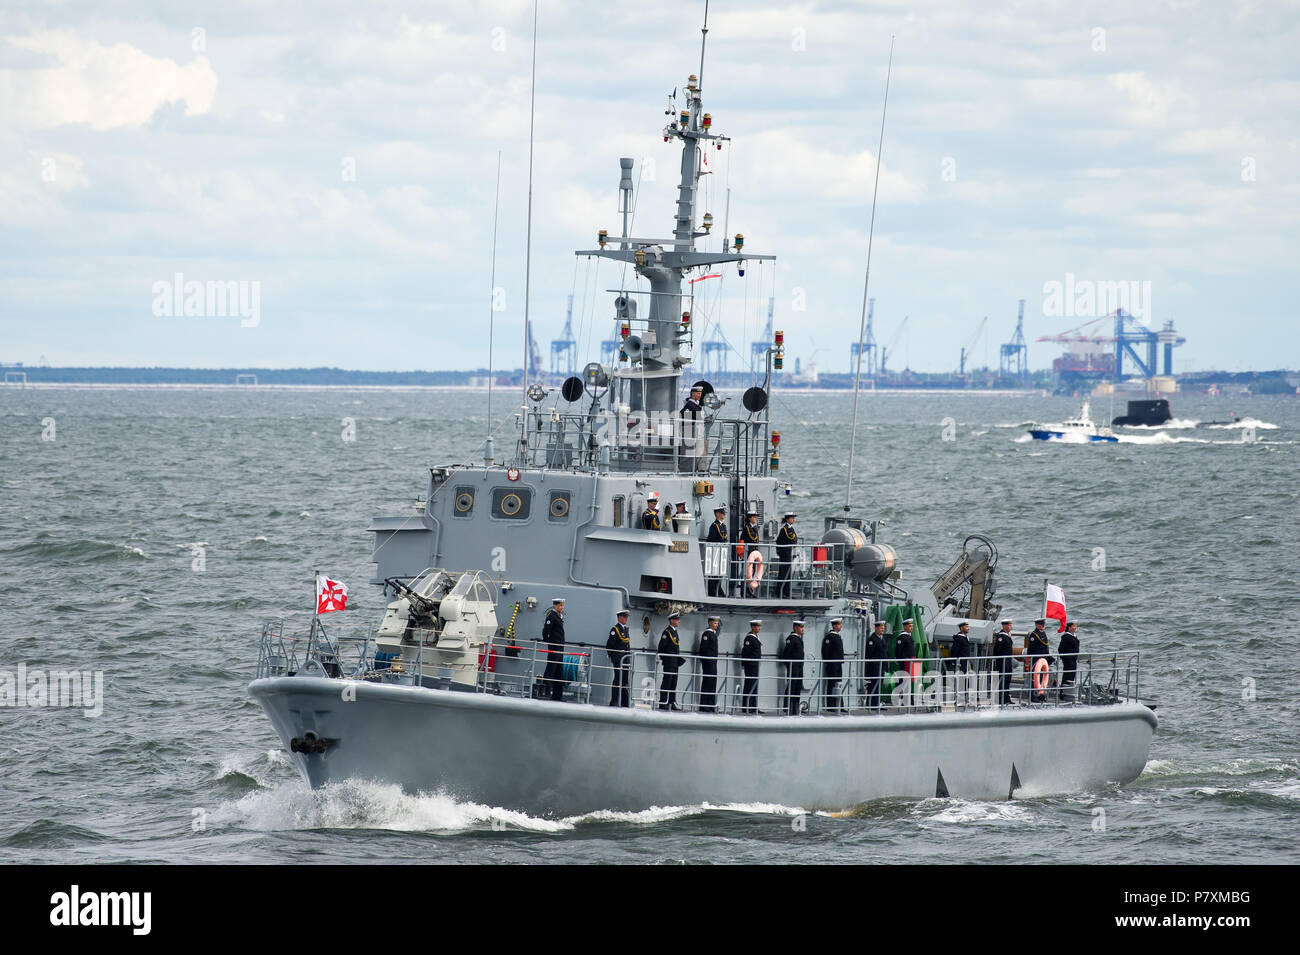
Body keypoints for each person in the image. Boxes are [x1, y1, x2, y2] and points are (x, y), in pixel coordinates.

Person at [657, 611, 686, 710]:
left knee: (673, 683)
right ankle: (663, 702)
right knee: (667, 681)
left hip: (675, 662)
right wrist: (665, 659)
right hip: (669, 662)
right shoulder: (667, 632)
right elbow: (661, 647)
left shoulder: (674, 631)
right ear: (672, 620)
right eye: (677, 619)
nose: (679, 621)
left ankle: (671, 702)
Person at [540, 597, 567, 701]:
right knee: (550, 669)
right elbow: (546, 630)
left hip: (560, 646)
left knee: (558, 671)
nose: (562, 607)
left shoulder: (559, 616)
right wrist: (549, 642)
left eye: (562, 605)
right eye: (560, 605)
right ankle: (545, 692)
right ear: (555, 605)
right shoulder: (551, 616)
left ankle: (557, 695)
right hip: (554, 646)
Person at [779, 620, 806, 715]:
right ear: (795, 628)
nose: (802, 629)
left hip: (799, 667)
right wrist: (790, 665)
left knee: (797, 687)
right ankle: (788, 707)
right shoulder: (791, 639)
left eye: (803, 627)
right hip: (793, 667)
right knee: (792, 686)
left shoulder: (798, 638)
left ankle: (795, 707)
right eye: (801, 627)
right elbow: (786, 654)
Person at [605, 609, 631, 707]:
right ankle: (614, 701)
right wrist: (612, 656)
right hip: (618, 658)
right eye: (624, 617)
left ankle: (625, 702)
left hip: (626, 658)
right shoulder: (615, 630)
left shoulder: (625, 629)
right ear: (619, 618)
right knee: (617, 679)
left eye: (627, 617)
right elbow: (609, 645)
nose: (626, 619)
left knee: (625, 680)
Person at [697, 615, 720, 712]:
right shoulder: (707, 634)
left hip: (713, 662)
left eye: (717, 623)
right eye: (715, 623)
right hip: (708, 663)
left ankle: (710, 704)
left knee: (712, 683)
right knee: (707, 682)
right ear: (710, 623)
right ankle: (704, 705)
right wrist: (706, 661)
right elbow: (703, 649)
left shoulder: (713, 634)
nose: (716, 625)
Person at [821, 617, 845, 712]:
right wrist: (830, 662)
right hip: (832, 665)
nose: (840, 626)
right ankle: (831, 705)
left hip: (838, 664)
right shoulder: (830, 637)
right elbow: (825, 652)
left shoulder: (837, 636)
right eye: (839, 624)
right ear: (834, 626)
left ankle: (839, 705)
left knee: (838, 684)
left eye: (841, 624)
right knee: (832, 684)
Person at [1027, 617, 1052, 703]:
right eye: (1041, 624)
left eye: (1043, 624)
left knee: (1042, 678)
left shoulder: (1043, 633)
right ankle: (1033, 696)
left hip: (1043, 659)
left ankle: (1041, 695)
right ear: (1037, 625)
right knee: (1034, 678)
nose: (1043, 626)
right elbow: (1031, 649)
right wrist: (1031, 660)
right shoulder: (1034, 635)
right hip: (1036, 660)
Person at [740, 619, 763, 714]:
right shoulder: (749, 638)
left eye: (759, 626)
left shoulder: (755, 637)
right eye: (757, 626)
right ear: (753, 627)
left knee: (754, 685)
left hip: (755, 665)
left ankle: (753, 706)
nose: (759, 628)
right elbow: (746, 652)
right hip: (750, 665)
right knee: (749, 685)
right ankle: (746, 706)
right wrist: (745, 664)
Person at [679, 385, 704, 472]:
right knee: (688, 453)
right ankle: (687, 469)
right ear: (693, 394)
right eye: (698, 393)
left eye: (700, 393)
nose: (700, 395)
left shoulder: (695, 405)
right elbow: (687, 420)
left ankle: (696, 468)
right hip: (690, 434)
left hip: (695, 434)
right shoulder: (690, 406)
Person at [893, 617, 917, 708]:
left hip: (910, 663)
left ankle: (909, 700)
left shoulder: (909, 637)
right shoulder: (902, 637)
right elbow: (898, 651)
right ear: (905, 627)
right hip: (905, 663)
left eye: (912, 626)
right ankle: (900, 699)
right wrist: (901, 660)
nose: (911, 628)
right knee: (903, 682)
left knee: (907, 682)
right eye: (910, 626)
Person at [705, 505, 728, 597]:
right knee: (714, 574)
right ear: (717, 514)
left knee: (719, 574)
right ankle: (713, 592)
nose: (724, 515)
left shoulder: (723, 526)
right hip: (715, 552)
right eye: (722, 513)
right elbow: (711, 539)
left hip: (721, 552)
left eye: (724, 513)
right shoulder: (714, 526)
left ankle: (719, 590)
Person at [863, 620, 886, 710]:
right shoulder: (872, 639)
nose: (882, 629)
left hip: (881, 667)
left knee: (879, 685)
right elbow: (870, 654)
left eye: (883, 628)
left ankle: (876, 703)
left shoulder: (881, 639)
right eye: (881, 628)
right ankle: (871, 704)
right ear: (876, 628)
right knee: (873, 685)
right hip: (874, 668)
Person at [992, 618, 1015, 706]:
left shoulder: (1007, 636)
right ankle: (1000, 698)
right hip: (1002, 662)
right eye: (1009, 625)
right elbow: (997, 650)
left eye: (1010, 625)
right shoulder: (1001, 637)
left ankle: (1006, 698)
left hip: (1008, 662)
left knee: (1007, 679)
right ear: (1004, 626)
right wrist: (1000, 660)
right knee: (1002, 680)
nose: (1010, 626)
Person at [775, 512, 798, 599]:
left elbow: (794, 540)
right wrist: (780, 552)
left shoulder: (791, 529)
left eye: (793, 518)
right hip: (785, 554)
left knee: (788, 573)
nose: (793, 519)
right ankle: (780, 592)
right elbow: (779, 541)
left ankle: (787, 592)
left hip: (789, 553)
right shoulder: (784, 529)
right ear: (787, 519)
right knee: (783, 573)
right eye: (792, 518)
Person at [740, 509, 761, 597]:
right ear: (749, 518)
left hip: (754, 553)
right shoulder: (747, 528)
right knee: (746, 573)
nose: (756, 518)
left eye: (756, 517)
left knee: (752, 572)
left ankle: (749, 591)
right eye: (754, 517)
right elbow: (750, 539)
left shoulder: (754, 528)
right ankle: (744, 592)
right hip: (748, 553)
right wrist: (741, 553)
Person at [949, 620, 971, 707]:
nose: (968, 628)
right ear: (961, 628)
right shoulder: (959, 639)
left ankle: (964, 699)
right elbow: (954, 651)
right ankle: (959, 700)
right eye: (966, 627)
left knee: (965, 680)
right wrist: (955, 662)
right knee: (961, 681)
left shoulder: (965, 638)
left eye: (968, 626)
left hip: (965, 662)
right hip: (961, 663)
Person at [1058, 621, 1081, 688]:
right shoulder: (1066, 637)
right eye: (1073, 626)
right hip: (1068, 660)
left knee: (1072, 674)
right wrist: (1065, 658)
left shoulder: (1074, 636)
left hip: (1073, 659)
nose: (1075, 628)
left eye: (1075, 626)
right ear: (1069, 627)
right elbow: (1060, 649)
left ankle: (1069, 688)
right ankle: (1064, 690)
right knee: (1067, 675)